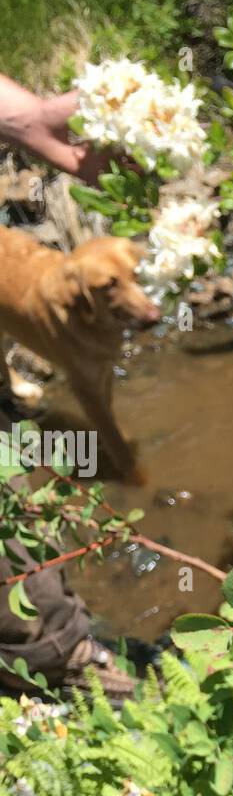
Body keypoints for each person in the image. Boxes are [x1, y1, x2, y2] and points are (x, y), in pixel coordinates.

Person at [0, 76, 134, 699]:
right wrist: (130, 467)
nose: (143, 304)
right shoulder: (73, 311)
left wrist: (28, 117)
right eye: (114, 291)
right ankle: (60, 657)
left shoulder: (95, 279)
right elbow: (96, 405)